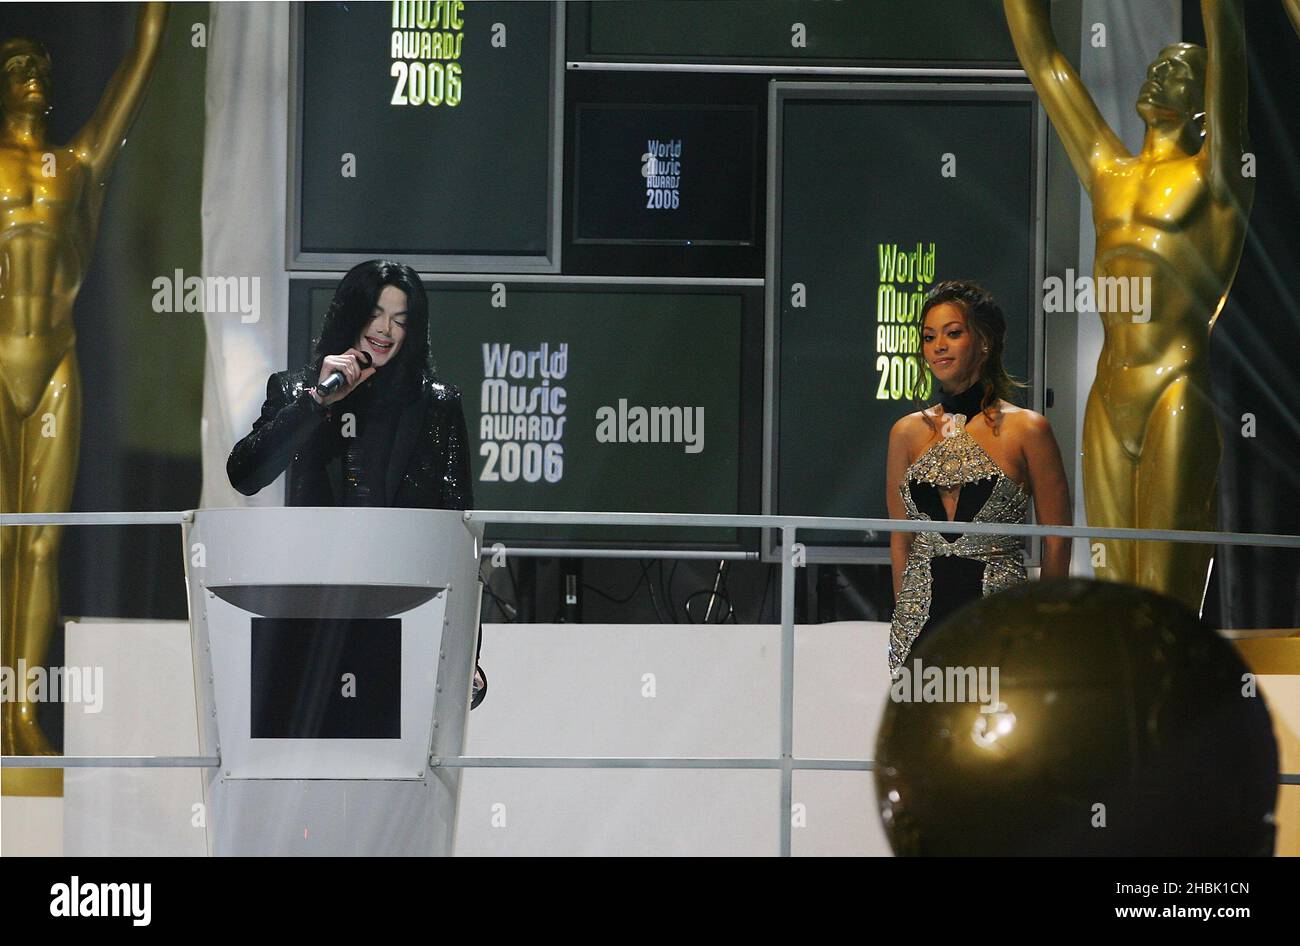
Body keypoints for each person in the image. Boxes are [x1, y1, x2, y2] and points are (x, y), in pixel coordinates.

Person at [226, 258, 487, 707]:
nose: (385, 329)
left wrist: (469, 654)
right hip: (312, 612)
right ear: (351, 314)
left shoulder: (437, 406)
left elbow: (459, 535)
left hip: (403, 611)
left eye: (399, 320)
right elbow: (245, 474)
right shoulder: (298, 392)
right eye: (375, 314)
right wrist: (318, 401)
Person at [885, 281, 1072, 672]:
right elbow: (900, 536)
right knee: (926, 731)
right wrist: (905, 608)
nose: (938, 346)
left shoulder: (1028, 430)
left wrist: (1047, 620)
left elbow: (1057, 538)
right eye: (929, 337)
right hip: (921, 624)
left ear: (984, 342)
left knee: (999, 730)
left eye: (953, 333)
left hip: (1001, 619)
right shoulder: (906, 433)